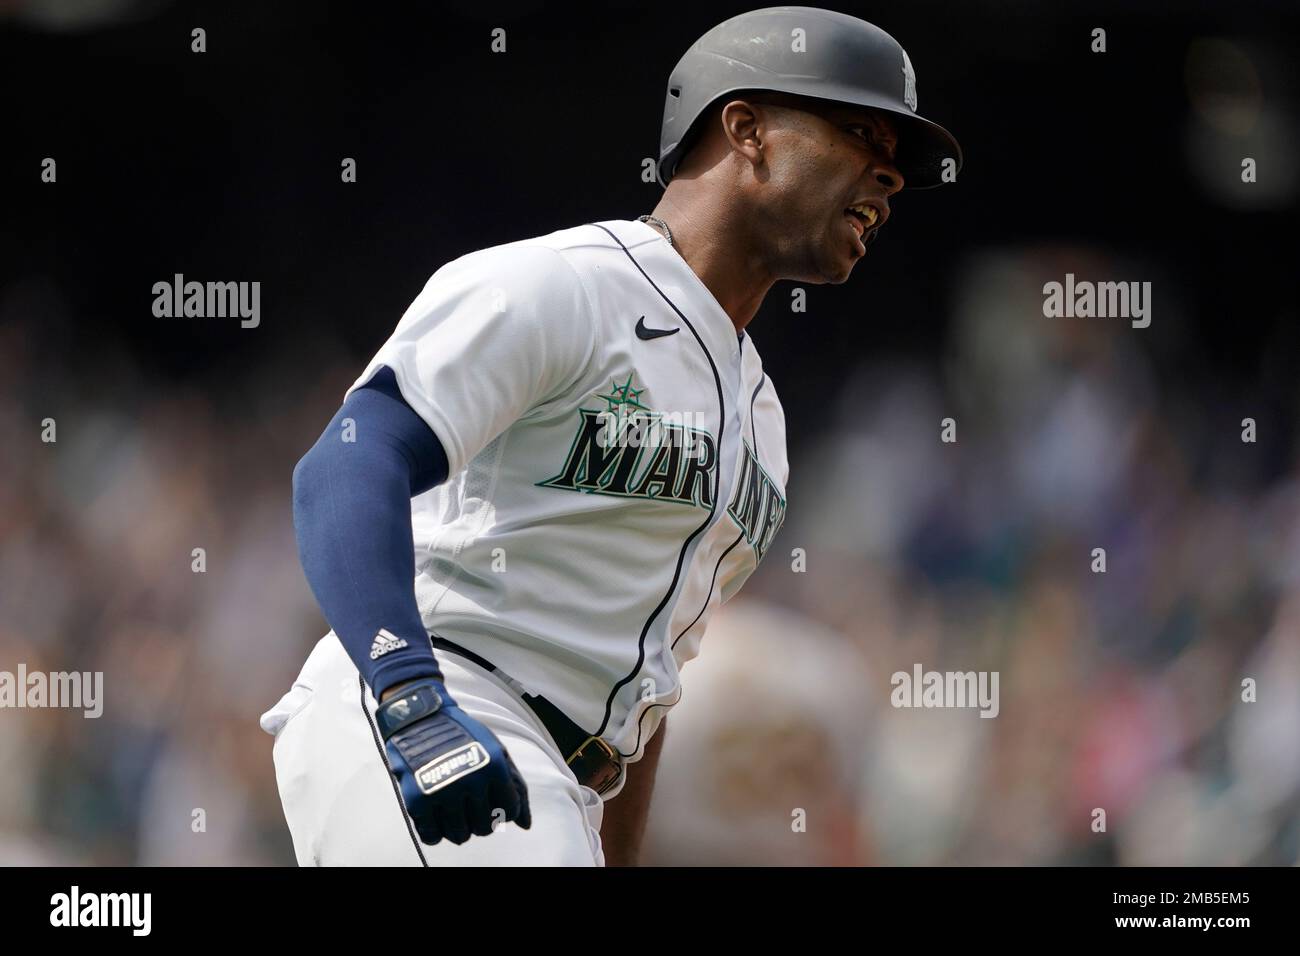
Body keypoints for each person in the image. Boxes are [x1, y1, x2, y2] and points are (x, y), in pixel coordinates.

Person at [259, 6, 960, 866]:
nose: (888, 177)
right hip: (443, 697)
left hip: (560, 780)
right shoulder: (563, 287)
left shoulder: (763, 424)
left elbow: (647, 694)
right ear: (747, 130)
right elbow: (347, 463)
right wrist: (409, 695)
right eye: (861, 134)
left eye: (897, 163)